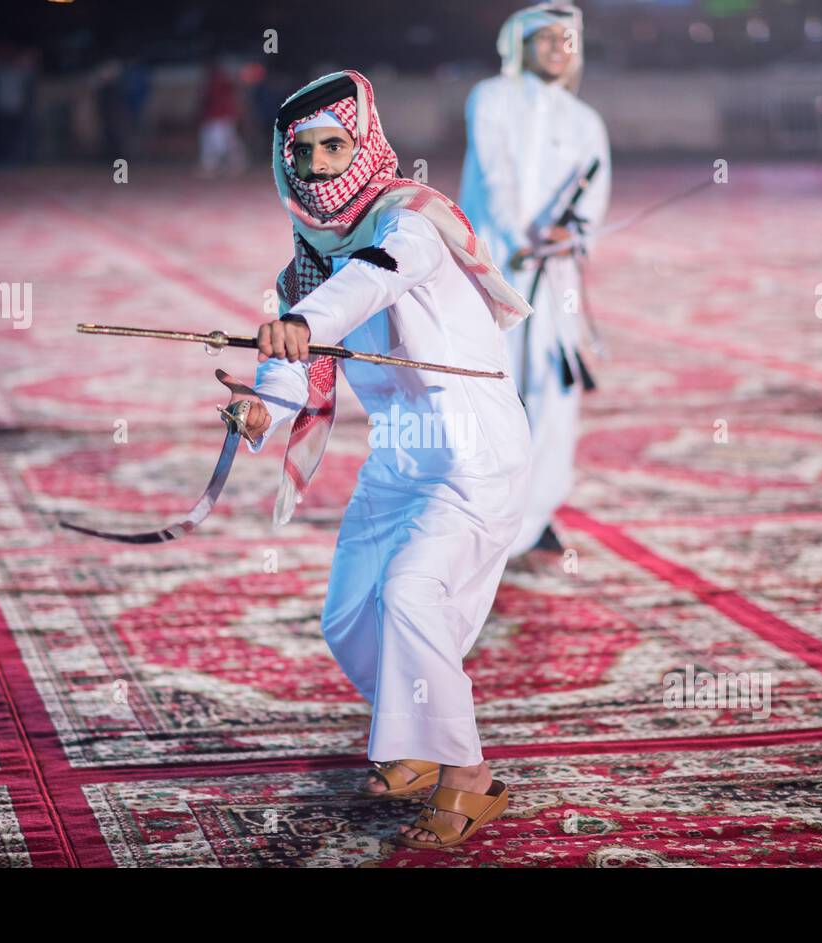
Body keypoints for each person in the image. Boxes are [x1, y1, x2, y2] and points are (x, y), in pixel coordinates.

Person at [214, 69, 532, 848]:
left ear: (365, 145)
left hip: (471, 451)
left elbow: (372, 283)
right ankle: (422, 737)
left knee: (413, 592)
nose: (320, 166)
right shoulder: (308, 268)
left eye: (335, 145)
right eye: (305, 153)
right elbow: (295, 362)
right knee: (350, 615)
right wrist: (262, 406)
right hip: (399, 460)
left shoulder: (410, 221)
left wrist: (301, 319)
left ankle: (470, 777)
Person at [459, 2, 611, 559]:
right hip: (493, 267)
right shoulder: (491, 97)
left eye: (565, 40)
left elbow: (593, 202)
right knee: (487, 386)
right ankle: (484, 513)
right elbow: (496, 172)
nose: (556, 48)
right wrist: (522, 235)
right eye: (545, 38)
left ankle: (536, 510)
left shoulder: (586, 121)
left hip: (556, 278)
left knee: (551, 390)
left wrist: (570, 238)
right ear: (519, 44)